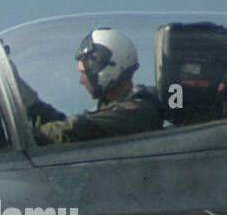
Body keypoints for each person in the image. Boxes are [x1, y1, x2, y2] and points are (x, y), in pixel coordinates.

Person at [35, 28, 163, 144]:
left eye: (84, 73)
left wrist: (33, 135)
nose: (81, 80)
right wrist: (32, 105)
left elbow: (79, 128)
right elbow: (67, 124)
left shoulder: (136, 112)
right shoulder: (112, 111)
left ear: (105, 68)